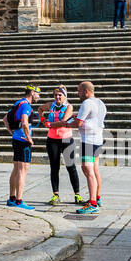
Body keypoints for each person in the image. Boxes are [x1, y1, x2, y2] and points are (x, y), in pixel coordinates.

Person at [64, 81, 106, 214]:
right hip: (98, 139)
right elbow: (92, 118)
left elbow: (78, 123)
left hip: (88, 141)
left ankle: (92, 204)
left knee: (87, 170)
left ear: (86, 91)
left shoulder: (86, 103)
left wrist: (64, 124)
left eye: (79, 91)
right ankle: (97, 198)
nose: (78, 94)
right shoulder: (100, 102)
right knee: (94, 169)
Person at [42, 85, 83, 206]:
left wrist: (49, 124)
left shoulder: (69, 106)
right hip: (52, 140)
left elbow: (63, 121)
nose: (57, 97)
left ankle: (77, 195)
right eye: (55, 95)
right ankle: (55, 195)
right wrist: (43, 120)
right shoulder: (51, 105)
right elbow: (39, 109)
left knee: (71, 167)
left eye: (60, 95)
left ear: (65, 96)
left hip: (66, 139)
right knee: (54, 168)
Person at [7, 86, 36, 209]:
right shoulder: (27, 106)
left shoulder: (18, 103)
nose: (38, 97)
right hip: (23, 141)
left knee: (16, 169)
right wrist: (29, 138)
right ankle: (19, 201)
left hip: (16, 139)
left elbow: (5, 119)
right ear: (32, 93)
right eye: (38, 94)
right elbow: (24, 122)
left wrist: (12, 132)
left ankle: (12, 198)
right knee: (22, 170)